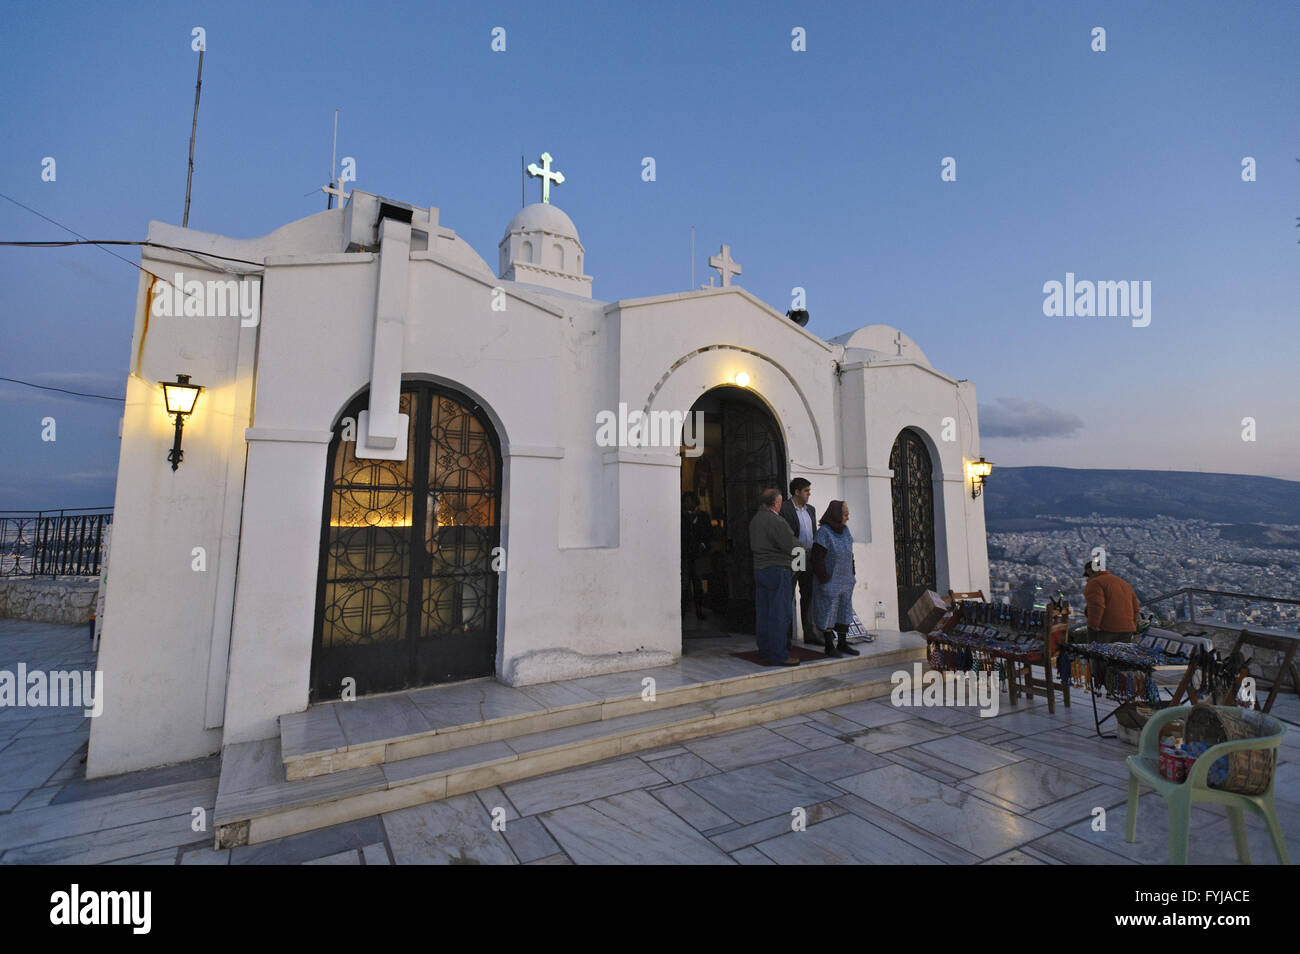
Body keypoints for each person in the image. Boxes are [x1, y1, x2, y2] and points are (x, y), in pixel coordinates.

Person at [748, 488, 800, 666]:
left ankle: (765, 650)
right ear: (775, 503)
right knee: (779, 613)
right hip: (778, 569)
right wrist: (804, 556)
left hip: (760, 569)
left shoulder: (755, 520)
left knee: (764, 612)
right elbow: (791, 545)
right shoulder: (775, 520)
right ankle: (779, 654)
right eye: (779, 502)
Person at [810, 500, 860, 658]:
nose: (848, 518)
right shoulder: (823, 532)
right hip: (830, 581)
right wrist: (825, 579)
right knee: (828, 612)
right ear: (836, 515)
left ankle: (843, 643)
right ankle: (829, 645)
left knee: (844, 611)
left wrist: (852, 573)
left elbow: (849, 553)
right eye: (845, 514)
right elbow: (816, 559)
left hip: (845, 581)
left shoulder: (845, 531)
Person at [780, 477, 817, 648]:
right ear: (797, 492)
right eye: (806, 491)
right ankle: (785, 636)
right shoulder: (785, 508)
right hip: (795, 554)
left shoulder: (811, 510)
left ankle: (809, 632)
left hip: (809, 555)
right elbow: (785, 533)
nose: (809, 494)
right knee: (789, 595)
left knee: (808, 594)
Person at [1082, 559, 1141, 643]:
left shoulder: (1095, 582)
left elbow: (1097, 605)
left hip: (1106, 628)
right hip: (1127, 629)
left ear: (1090, 571)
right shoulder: (1123, 583)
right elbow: (1136, 608)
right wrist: (1132, 625)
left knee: (1098, 653)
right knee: (1120, 655)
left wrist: (1093, 625)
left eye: (1088, 575)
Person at [680, 492, 711, 620]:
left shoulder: (703, 516)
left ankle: (699, 609)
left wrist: (703, 544)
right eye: (685, 501)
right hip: (685, 554)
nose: (688, 504)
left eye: (690, 501)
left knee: (698, 584)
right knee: (685, 584)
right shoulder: (681, 517)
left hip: (698, 555)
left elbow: (708, 533)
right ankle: (682, 611)